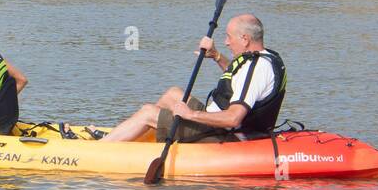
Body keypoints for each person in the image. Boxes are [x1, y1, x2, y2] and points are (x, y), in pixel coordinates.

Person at [101, 14, 286, 142]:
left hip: (225, 131)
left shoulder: (257, 69)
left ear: (245, 39)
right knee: (172, 94)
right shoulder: (264, 57)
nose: (226, 42)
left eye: (229, 37)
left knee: (148, 112)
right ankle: (149, 134)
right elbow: (238, 78)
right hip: (216, 118)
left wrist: (190, 115)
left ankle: (97, 150)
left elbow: (233, 119)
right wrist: (216, 56)